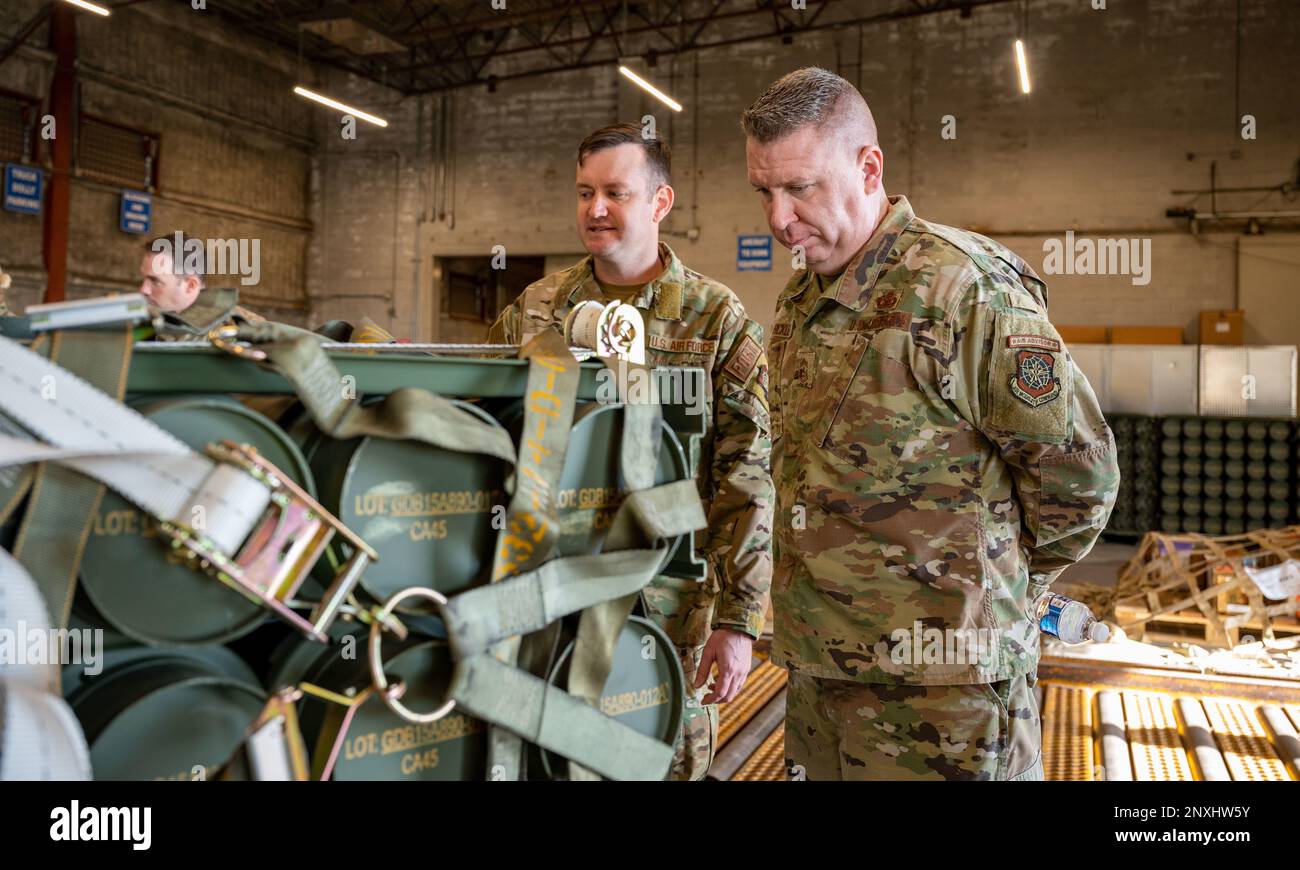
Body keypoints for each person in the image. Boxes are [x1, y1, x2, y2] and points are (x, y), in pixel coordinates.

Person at [742, 67, 1119, 780]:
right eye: (763, 191)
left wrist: (996, 596)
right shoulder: (802, 302)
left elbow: (1080, 477)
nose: (777, 219)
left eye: (801, 188)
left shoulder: (961, 290)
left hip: (944, 696)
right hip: (823, 672)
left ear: (868, 167)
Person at [488, 122, 774, 780]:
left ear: (660, 203)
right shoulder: (537, 309)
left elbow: (748, 477)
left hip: (666, 612)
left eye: (615, 192)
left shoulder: (713, 319)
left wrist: (739, 620)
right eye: (585, 192)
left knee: (662, 758)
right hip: (549, 601)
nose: (595, 209)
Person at [138, 232, 262, 336]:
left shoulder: (245, 330)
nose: (143, 289)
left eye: (155, 281)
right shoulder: (136, 322)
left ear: (190, 286)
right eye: (144, 279)